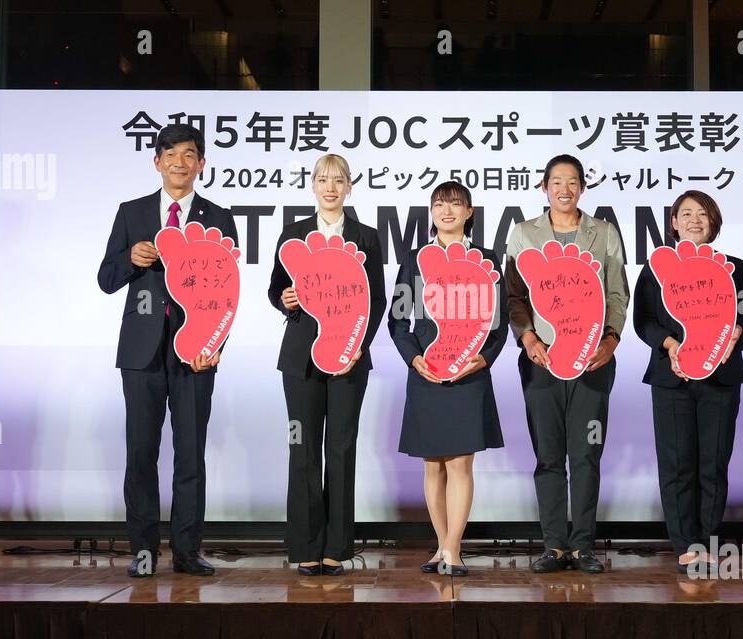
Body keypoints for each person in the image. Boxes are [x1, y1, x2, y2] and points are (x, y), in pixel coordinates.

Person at [97, 123, 238, 577]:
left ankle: (186, 551)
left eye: (190, 154)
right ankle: (142, 551)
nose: (180, 162)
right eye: (171, 154)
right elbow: (105, 279)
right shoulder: (131, 212)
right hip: (141, 353)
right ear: (157, 161)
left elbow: (228, 293)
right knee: (141, 453)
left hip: (196, 352)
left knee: (190, 454)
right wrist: (129, 259)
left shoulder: (218, 217)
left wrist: (214, 343)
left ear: (202, 164)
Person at [505, 154, 630, 574]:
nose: (564, 189)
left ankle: (583, 546)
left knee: (586, 455)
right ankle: (554, 545)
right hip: (541, 361)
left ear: (582, 187)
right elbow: (514, 297)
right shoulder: (524, 234)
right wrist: (527, 337)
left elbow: (617, 293)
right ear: (544, 187)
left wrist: (611, 339)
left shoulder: (604, 233)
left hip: (593, 362)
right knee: (548, 456)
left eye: (572, 182)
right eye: (556, 182)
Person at [267, 154, 387, 575]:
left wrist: (358, 345)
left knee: (340, 450)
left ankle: (337, 547)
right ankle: (304, 546)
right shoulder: (293, 234)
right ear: (313, 185)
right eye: (323, 179)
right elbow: (276, 289)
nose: (331, 187)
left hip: (349, 359)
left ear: (350, 186)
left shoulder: (367, 237)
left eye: (339, 180)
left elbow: (377, 302)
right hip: (301, 358)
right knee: (302, 450)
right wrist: (283, 299)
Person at [633, 190, 743, 572]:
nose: (694, 220)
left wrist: (737, 332)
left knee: (714, 462)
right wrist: (670, 345)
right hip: (672, 378)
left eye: (702, 214)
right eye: (685, 213)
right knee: (676, 464)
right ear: (673, 223)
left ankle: (709, 540)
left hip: (721, 377)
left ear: (714, 222)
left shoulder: (735, 267)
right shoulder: (656, 268)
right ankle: (685, 542)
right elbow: (643, 320)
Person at [388, 181, 507, 577]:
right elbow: (398, 319)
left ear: (470, 212)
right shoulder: (415, 260)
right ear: (431, 211)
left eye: (456, 204)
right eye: (439, 204)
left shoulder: (486, 259)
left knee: (459, 464)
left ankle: (454, 548)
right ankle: (441, 545)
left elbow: (499, 324)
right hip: (427, 372)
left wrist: (484, 358)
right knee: (432, 466)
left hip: (468, 374)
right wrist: (414, 358)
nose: (447, 211)